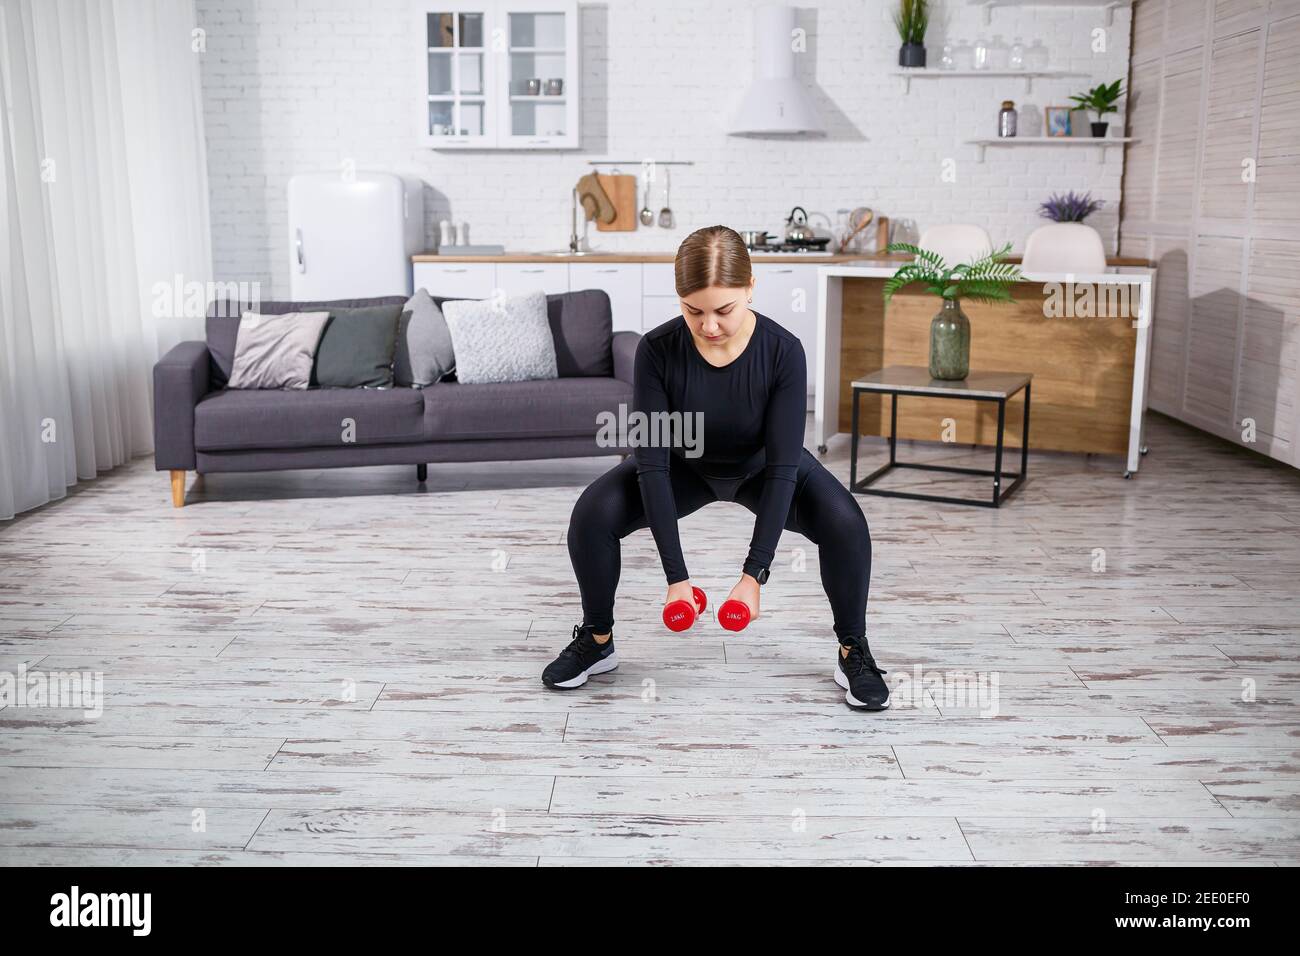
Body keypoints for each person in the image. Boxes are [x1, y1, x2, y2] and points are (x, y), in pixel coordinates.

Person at [542, 225, 888, 710]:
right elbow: (652, 466)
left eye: (723, 310)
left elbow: (786, 467)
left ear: (749, 288)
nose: (708, 326)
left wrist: (754, 576)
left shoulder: (783, 351)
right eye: (693, 310)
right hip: (684, 469)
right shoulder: (657, 351)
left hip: (763, 469)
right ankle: (597, 640)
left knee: (847, 524)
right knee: (592, 515)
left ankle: (854, 650)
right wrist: (676, 579)